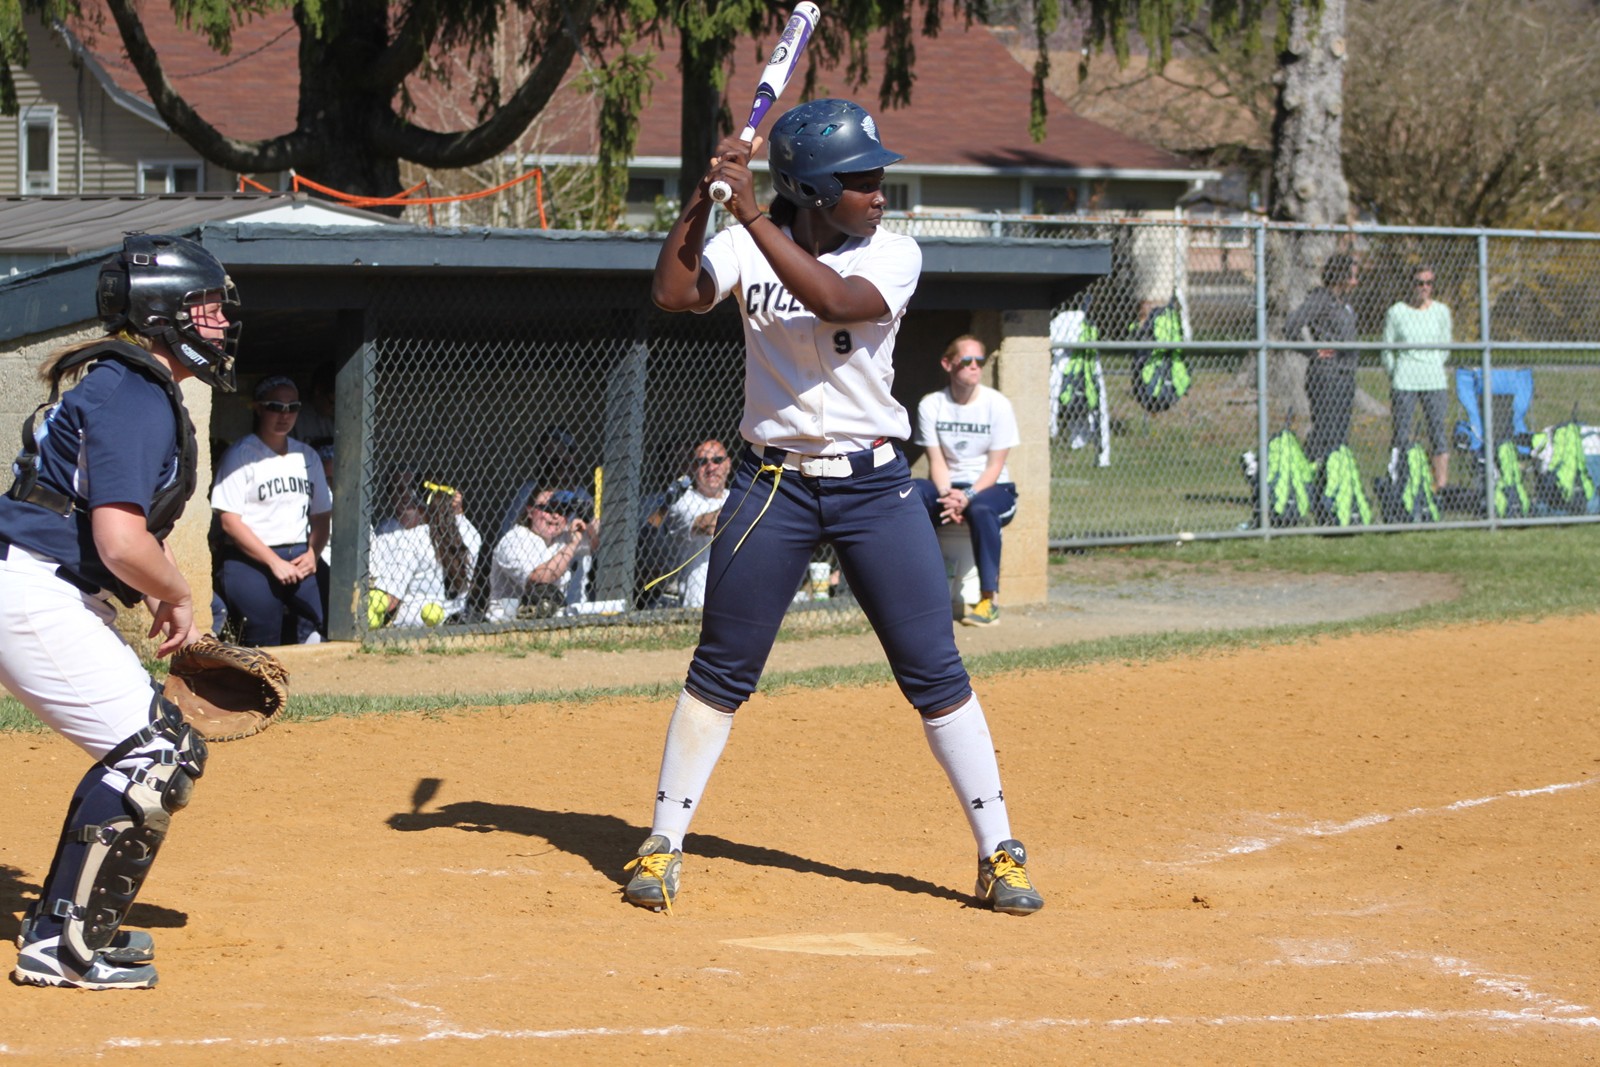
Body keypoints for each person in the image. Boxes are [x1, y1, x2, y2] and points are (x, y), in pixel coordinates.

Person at [626, 97, 1043, 916]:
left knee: (934, 669)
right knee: (720, 668)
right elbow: (675, 293)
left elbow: (835, 302)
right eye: (860, 179)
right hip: (771, 483)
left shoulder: (894, 254)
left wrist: (748, 213)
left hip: (874, 486)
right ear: (812, 188)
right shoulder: (745, 241)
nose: (879, 190)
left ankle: (999, 850)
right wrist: (705, 195)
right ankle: (663, 841)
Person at [0, 234, 235, 988]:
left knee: (158, 749)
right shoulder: (135, 391)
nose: (220, 322)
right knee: (155, 755)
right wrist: (178, 590)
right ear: (161, 313)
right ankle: (61, 945)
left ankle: (70, 925)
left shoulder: (122, 382)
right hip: (31, 590)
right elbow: (120, 538)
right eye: (205, 306)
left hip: (38, 588)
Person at [211, 376, 333, 645]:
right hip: (252, 558)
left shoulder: (307, 456)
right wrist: (273, 562)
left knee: (320, 622)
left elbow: (322, 515)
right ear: (258, 408)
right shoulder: (241, 454)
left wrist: (314, 553)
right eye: (275, 406)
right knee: (264, 634)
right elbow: (230, 521)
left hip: (301, 555)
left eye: (293, 407)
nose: (285, 414)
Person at [913, 336, 1020, 626]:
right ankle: (919, 595)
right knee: (913, 495)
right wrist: (949, 495)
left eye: (980, 362)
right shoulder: (932, 405)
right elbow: (936, 461)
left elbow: (996, 466)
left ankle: (989, 601)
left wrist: (967, 496)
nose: (975, 367)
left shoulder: (997, 404)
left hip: (990, 488)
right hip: (949, 486)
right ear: (948, 364)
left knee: (982, 509)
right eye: (967, 361)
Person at [367, 480, 482, 628]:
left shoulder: (413, 539)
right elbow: (458, 521)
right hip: (454, 621)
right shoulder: (473, 535)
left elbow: (390, 601)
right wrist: (459, 510)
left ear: (421, 507)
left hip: (413, 625)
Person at [1382, 264, 1453, 491]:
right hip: (1404, 381)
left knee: (1437, 433)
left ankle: (1440, 485)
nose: (1424, 287)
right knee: (1402, 434)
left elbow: (1445, 347)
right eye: (1419, 282)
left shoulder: (1441, 311)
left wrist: (1431, 364)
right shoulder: (1397, 311)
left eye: (1428, 283)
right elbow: (1387, 349)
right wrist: (1398, 372)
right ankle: (1401, 482)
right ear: (1411, 284)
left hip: (1434, 380)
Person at [1286, 253, 1360, 463]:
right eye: (1352, 276)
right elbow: (1291, 326)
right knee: (1325, 431)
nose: (1355, 282)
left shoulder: (1343, 302)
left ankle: (1331, 480)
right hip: (1327, 375)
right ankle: (1310, 475)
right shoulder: (1320, 298)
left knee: (1340, 433)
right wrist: (1312, 351)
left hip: (1345, 374)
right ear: (1340, 276)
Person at [485, 487, 594, 621]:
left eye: (562, 510)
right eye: (548, 508)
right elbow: (540, 578)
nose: (555, 515)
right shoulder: (514, 539)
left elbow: (598, 541)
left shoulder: (564, 536)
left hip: (549, 619)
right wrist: (571, 546)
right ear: (530, 511)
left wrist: (588, 516)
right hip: (505, 622)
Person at [660, 439, 731, 607]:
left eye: (718, 460)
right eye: (702, 462)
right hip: (698, 600)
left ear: (728, 464)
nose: (711, 467)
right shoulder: (682, 501)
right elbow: (710, 526)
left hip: (735, 597)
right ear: (693, 468)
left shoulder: (735, 497)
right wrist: (750, 503)